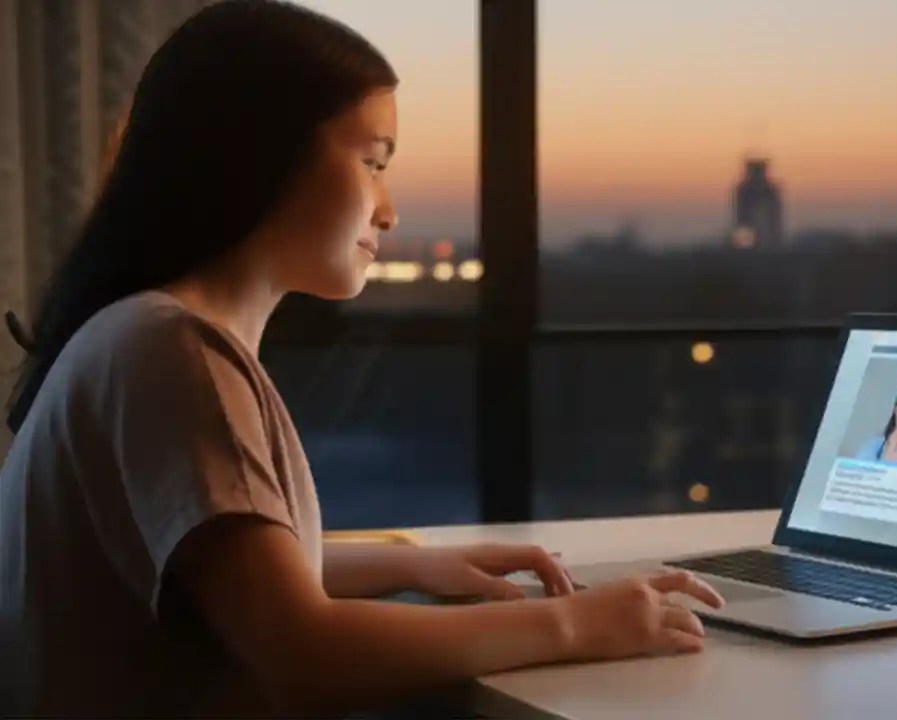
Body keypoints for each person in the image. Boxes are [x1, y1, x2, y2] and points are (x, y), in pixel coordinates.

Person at [0, 2, 723, 716]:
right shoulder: (170, 349)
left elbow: (234, 574)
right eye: (373, 163)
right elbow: (303, 649)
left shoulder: (139, 333)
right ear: (260, 158)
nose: (389, 209)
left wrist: (415, 566)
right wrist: (578, 624)